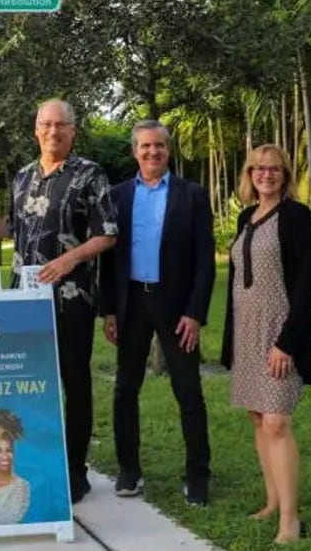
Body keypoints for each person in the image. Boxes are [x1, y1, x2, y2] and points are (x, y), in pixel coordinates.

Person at [0, 98, 117, 503]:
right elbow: (14, 231)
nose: (53, 131)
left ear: (73, 130)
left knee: (74, 383)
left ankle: (75, 471)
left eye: (61, 125)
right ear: (36, 129)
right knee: (31, 384)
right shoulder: (22, 177)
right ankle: (35, 464)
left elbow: (107, 232)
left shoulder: (90, 175)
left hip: (71, 299)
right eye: (46, 124)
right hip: (24, 302)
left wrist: (68, 260)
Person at [98, 121, 215, 504]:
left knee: (189, 392)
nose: (153, 152)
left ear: (168, 150)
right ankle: (129, 471)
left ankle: (197, 475)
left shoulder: (192, 195)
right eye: (145, 146)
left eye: (160, 146)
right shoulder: (117, 197)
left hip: (176, 306)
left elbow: (204, 262)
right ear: (135, 151)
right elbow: (108, 259)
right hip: (131, 303)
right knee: (125, 390)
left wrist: (195, 313)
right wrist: (109, 310)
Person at [221, 144, 311, 544]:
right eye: (259, 169)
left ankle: (290, 520)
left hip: (280, 331)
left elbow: (307, 283)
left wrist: (288, 342)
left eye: (275, 169)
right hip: (247, 331)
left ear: (285, 174)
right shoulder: (247, 217)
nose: (267, 175)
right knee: (259, 418)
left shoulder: (297, 217)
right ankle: (273, 502)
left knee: (278, 420)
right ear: (249, 174)